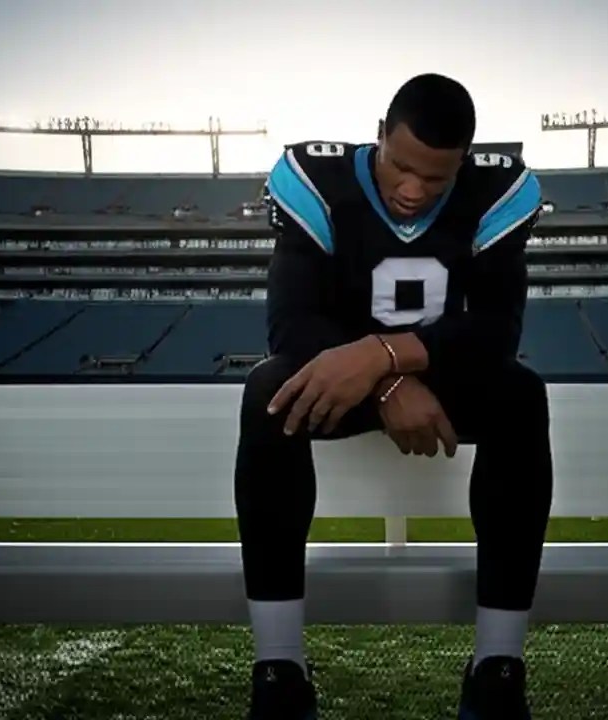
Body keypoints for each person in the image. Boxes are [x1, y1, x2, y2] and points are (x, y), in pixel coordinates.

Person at [235, 73, 553, 720]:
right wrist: (385, 383)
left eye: (436, 179)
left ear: (463, 163)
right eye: (400, 167)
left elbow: (496, 333)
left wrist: (387, 357)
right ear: (379, 134)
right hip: (343, 377)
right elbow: (291, 326)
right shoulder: (317, 179)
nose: (412, 190)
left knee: (522, 395)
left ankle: (497, 667)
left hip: (440, 374)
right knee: (268, 390)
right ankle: (279, 668)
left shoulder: (498, 189)